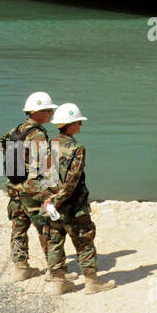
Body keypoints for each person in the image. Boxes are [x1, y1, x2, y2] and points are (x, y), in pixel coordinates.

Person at [43, 103, 116, 295]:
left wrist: (48, 200)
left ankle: (59, 283)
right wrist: (58, 200)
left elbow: (43, 176)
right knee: (84, 241)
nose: (80, 126)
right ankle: (92, 284)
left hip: (52, 204)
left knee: (55, 241)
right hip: (73, 206)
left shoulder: (48, 146)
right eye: (78, 123)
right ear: (70, 125)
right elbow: (72, 181)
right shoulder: (77, 148)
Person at [0, 91, 56, 281]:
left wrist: (16, 161)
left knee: (18, 228)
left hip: (14, 187)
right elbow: (43, 166)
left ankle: (21, 267)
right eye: (48, 110)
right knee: (45, 228)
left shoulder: (16, 130)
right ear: (38, 112)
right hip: (31, 190)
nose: (50, 114)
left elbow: (2, 143)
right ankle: (54, 271)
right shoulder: (37, 134)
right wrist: (50, 190)